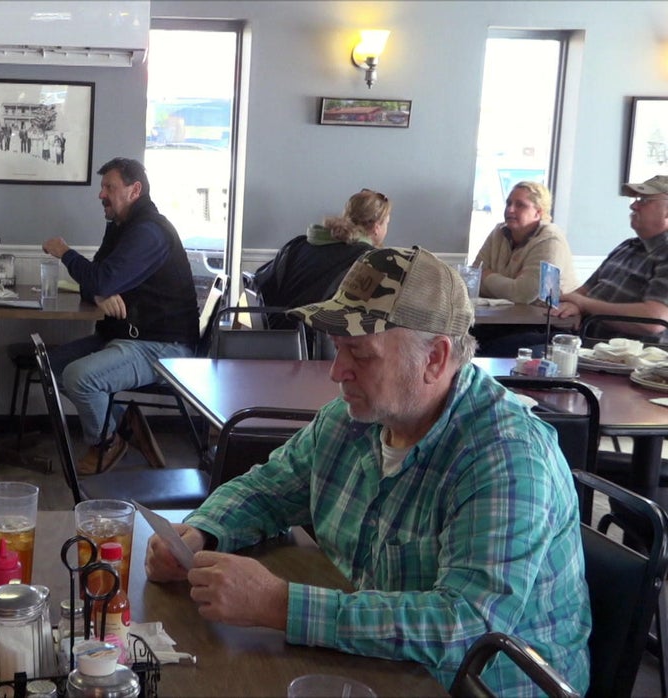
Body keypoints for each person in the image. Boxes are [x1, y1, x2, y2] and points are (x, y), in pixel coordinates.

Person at [145, 246, 591, 695]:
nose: (338, 371)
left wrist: (279, 604)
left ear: (435, 359)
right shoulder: (356, 419)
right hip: (382, 668)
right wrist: (202, 531)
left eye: (361, 354)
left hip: (486, 687)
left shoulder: (506, 457)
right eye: (338, 349)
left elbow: (465, 628)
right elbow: (269, 488)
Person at [42, 157, 198, 474]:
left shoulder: (150, 233)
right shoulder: (121, 226)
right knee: (49, 365)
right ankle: (125, 425)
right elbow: (97, 279)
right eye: (102, 187)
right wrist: (100, 291)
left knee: (79, 377)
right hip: (126, 335)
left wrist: (65, 253)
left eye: (109, 187)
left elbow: (99, 277)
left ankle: (108, 443)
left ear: (134, 189)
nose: (101, 194)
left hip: (162, 345)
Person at [250, 188, 390, 338]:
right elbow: (367, 315)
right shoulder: (367, 259)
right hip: (317, 345)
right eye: (387, 223)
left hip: (271, 336)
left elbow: (260, 284)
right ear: (377, 228)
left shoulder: (298, 245)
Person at [551, 174, 668, 339]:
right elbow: (583, 292)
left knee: (511, 350)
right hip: (580, 340)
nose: (634, 206)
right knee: (509, 342)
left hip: (625, 357)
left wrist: (583, 305)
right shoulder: (628, 246)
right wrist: (573, 304)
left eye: (644, 200)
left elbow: (653, 320)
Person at [473, 181, 578, 303]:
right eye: (508, 203)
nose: (510, 209)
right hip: (507, 315)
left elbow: (523, 295)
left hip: (548, 319)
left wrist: (487, 276)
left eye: (520, 205)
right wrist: (511, 285)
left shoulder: (550, 240)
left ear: (538, 213)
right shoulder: (498, 232)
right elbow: (473, 278)